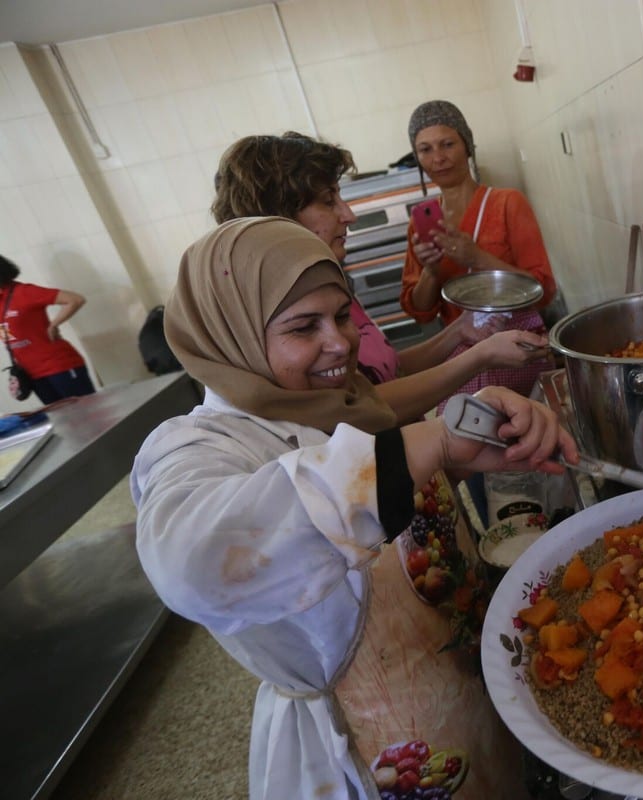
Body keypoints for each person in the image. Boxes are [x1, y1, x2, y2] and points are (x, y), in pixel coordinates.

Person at [131, 217, 578, 800]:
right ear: (230, 335)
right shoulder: (198, 446)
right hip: (381, 747)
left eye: (341, 315)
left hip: (471, 698)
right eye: (302, 326)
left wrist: (470, 443)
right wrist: (432, 442)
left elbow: (391, 511)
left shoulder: (336, 402)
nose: (341, 342)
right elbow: (189, 564)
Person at [211, 132, 548, 423]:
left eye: (448, 144)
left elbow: (384, 370)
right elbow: (360, 404)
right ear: (279, 217)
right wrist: (481, 355)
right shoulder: (273, 320)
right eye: (330, 201)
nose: (350, 215)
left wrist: (459, 330)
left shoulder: (330, 286)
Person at [400, 99, 557, 401]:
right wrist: (431, 272)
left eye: (447, 144)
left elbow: (545, 290)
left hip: (519, 353)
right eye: (425, 149)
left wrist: (477, 258)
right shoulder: (422, 224)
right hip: (460, 362)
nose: (438, 158)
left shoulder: (507, 203)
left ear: (467, 146)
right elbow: (420, 311)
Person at [0, 254, 96, 404]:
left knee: (90, 415)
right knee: (64, 422)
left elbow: (75, 300)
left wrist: (54, 324)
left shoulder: (24, 292)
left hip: (59, 366)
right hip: (32, 374)